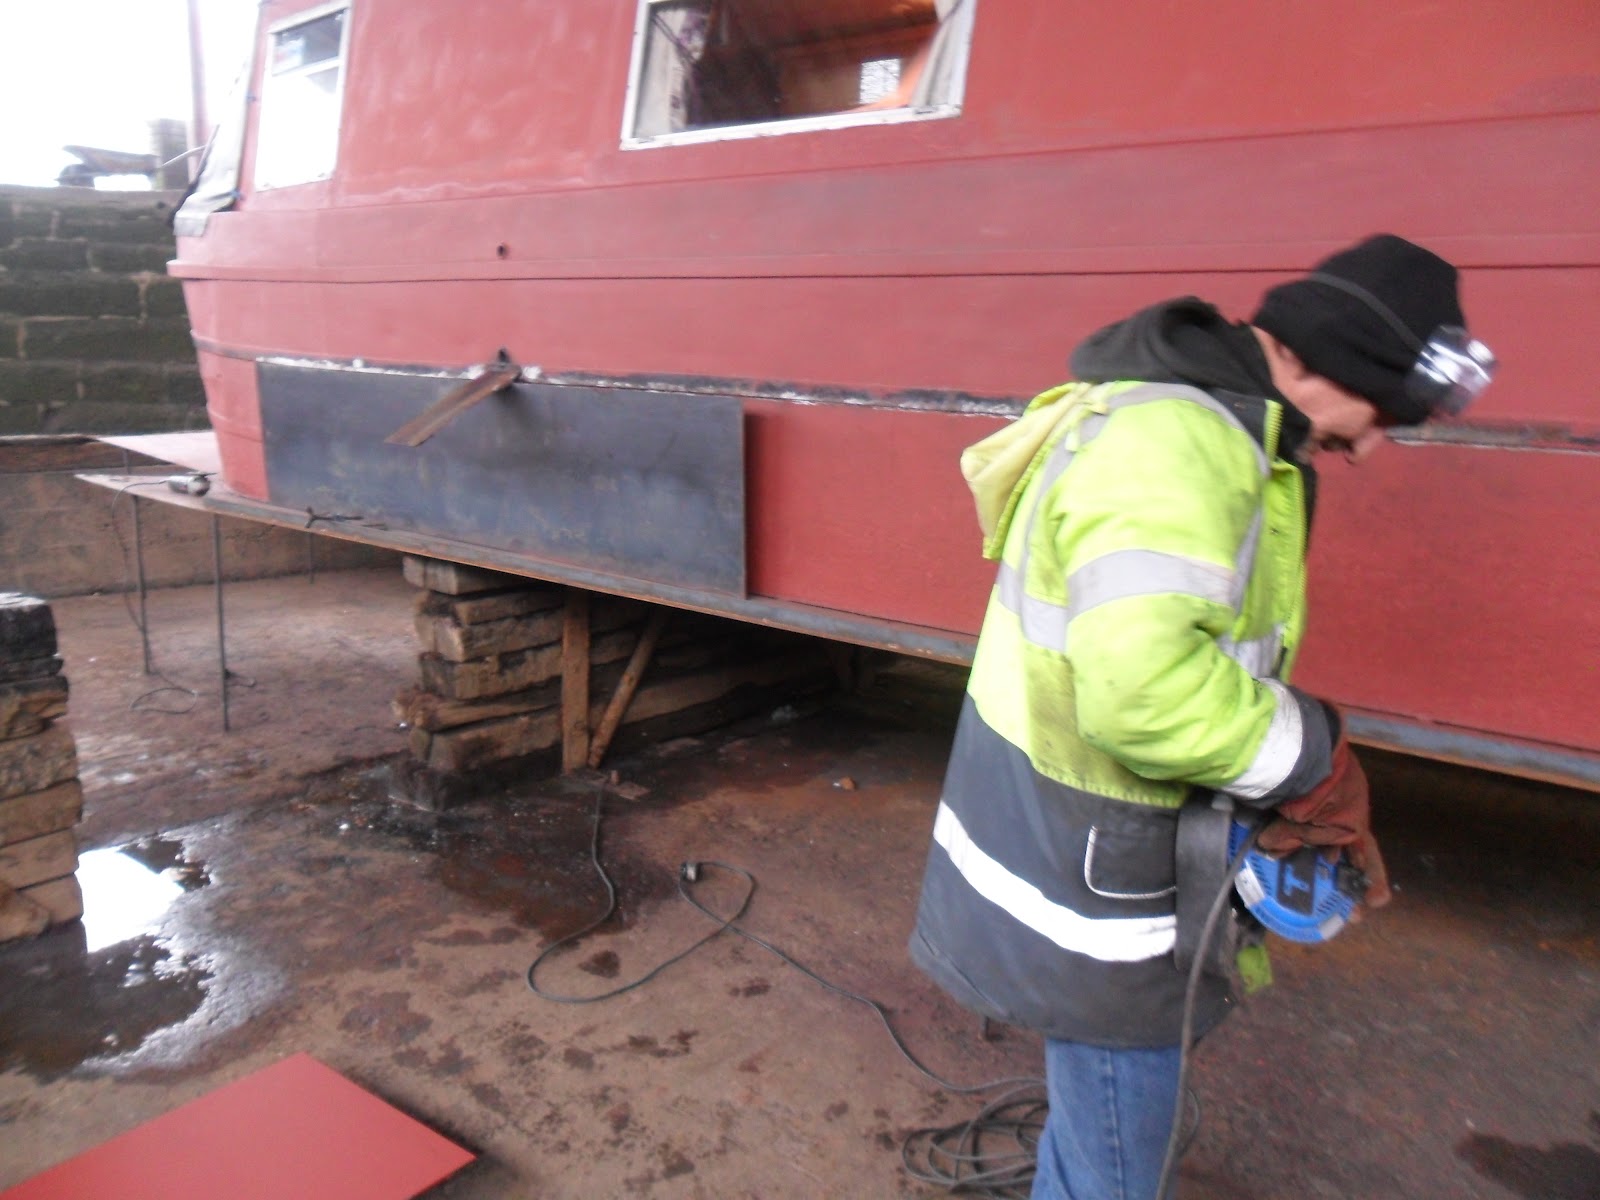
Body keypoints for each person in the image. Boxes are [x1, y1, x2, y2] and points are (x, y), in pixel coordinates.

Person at [907, 235, 1497, 1200]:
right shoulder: (1180, 447)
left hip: (1079, 832)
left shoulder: (1188, 421)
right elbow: (1145, 695)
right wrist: (1313, 755)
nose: (1372, 446)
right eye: (1382, 414)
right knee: (1114, 1170)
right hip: (1101, 868)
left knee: (1099, 1138)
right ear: (1319, 362)